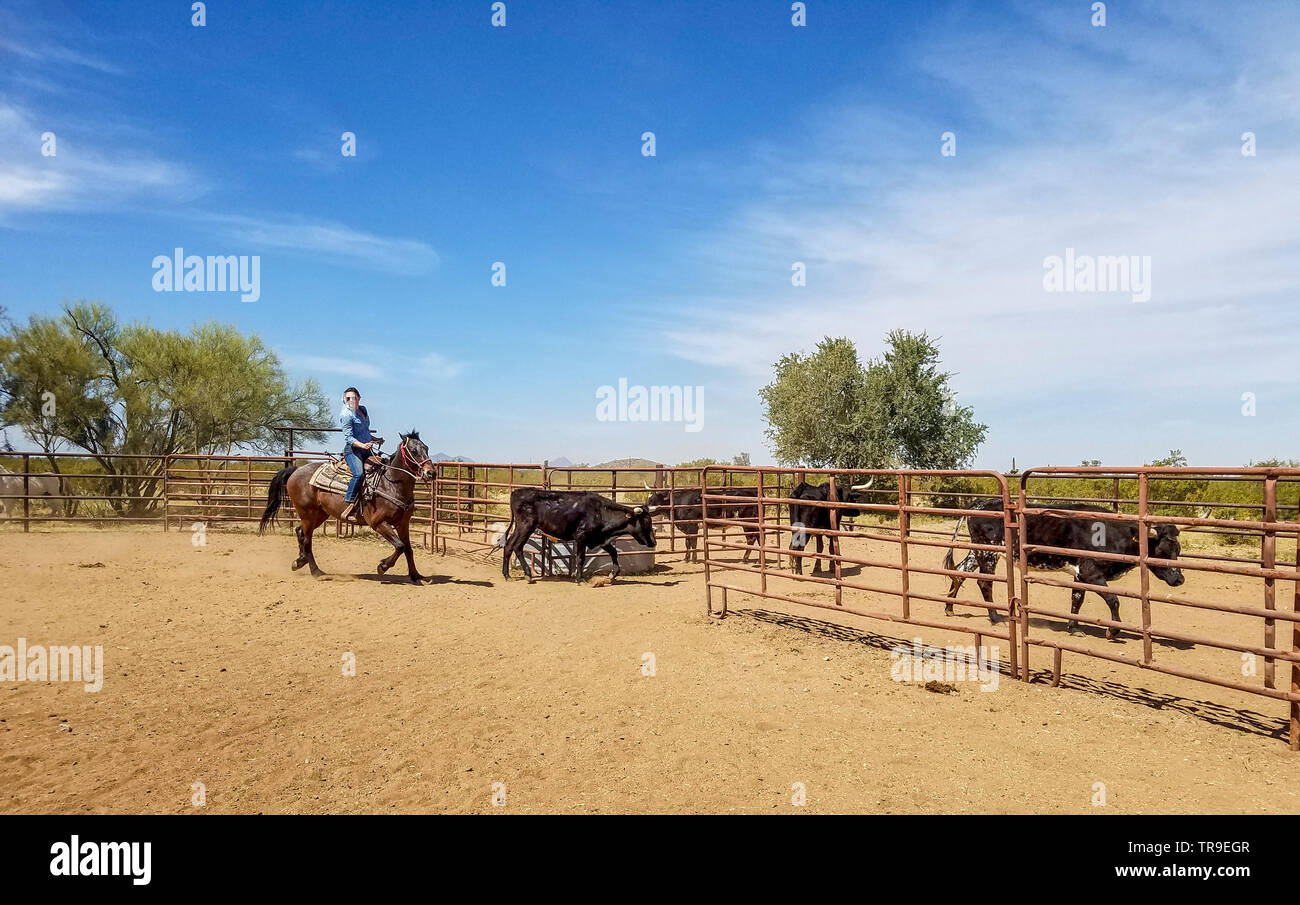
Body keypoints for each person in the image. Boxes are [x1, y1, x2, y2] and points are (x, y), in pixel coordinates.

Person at [339, 387, 384, 520]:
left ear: (359, 398)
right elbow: (349, 438)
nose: (350, 400)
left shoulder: (363, 410)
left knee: (381, 469)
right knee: (358, 474)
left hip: (366, 449)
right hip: (353, 450)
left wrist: (375, 439)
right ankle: (350, 503)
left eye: (353, 397)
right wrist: (363, 445)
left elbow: (365, 432)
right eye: (347, 398)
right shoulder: (346, 415)